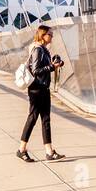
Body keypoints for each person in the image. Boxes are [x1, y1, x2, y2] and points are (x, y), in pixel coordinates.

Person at [17, 26, 65, 162]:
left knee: (45, 120)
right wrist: (52, 67)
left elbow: (43, 67)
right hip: (36, 89)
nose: (52, 37)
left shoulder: (44, 50)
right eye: (50, 34)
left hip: (43, 88)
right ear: (43, 35)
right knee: (32, 118)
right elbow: (36, 70)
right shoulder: (37, 49)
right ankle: (21, 150)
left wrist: (56, 63)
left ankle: (49, 152)